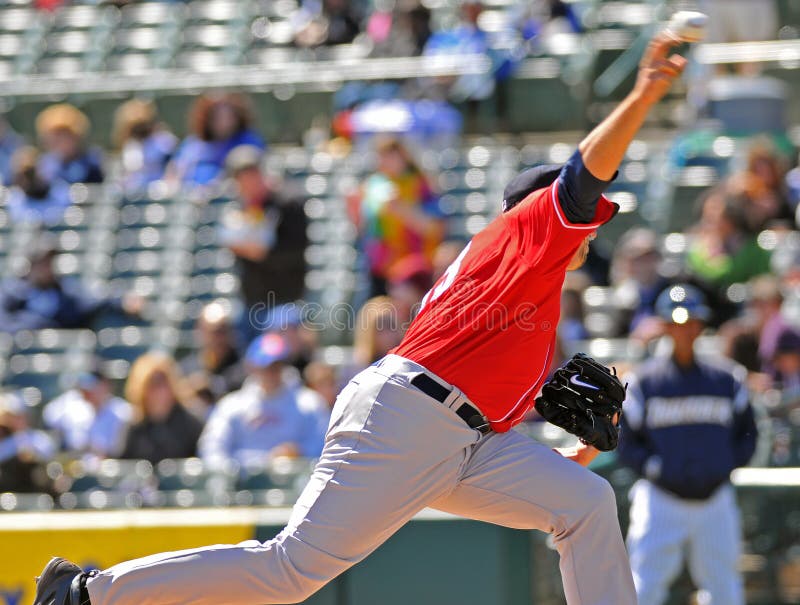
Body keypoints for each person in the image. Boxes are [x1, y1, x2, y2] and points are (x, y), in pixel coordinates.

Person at [34, 31, 689, 605]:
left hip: (456, 434)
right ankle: (89, 593)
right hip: (408, 417)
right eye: (585, 217)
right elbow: (581, 178)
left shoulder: (524, 286)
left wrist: (556, 460)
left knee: (584, 503)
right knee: (289, 571)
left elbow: (488, 406)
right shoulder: (526, 234)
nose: (592, 227)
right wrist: (643, 96)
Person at [618, 284, 757, 605]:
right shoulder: (644, 382)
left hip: (715, 499)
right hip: (661, 499)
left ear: (701, 325)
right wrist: (654, 468)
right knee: (643, 586)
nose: (685, 330)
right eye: (677, 323)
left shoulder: (727, 379)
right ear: (665, 327)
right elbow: (626, 440)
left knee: (725, 589)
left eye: (692, 322)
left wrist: (724, 465)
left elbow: (748, 434)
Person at [198, 333, 329, 471]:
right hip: (242, 482)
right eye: (266, 366)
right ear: (251, 367)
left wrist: (300, 452)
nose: (272, 372)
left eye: (277, 365)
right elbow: (212, 447)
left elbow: (322, 446)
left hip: (296, 481)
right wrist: (232, 472)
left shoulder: (310, 404)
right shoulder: (231, 406)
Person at [217, 145, 308, 341]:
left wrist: (262, 252)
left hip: (285, 302)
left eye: (252, 176)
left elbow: (296, 252)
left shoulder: (288, 202)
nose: (247, 184)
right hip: (251, 302)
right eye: (242, 179)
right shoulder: (241, 208)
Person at [348, 136, 444, 297]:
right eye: (381, 156)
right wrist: (354, 209)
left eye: (389, 156)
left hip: (414, 269)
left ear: (403, 156)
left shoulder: (421, 185)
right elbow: (364, 229)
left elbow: (435, 228)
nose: (384, 162)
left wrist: (401, 209)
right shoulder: (373, 186)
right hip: (381, 268)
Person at [0, 235, 143, 334]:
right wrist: (39, 325)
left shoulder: (63, 290)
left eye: (50, 263)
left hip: (61, 354)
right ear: (31, 266)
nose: (47, 268)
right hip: (21, 356)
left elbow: (92, 302)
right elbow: (4, 323)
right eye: (42, 263)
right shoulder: (11, 291)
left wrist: (120, 300)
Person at [120, 352, 204, 465]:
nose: (159, 390)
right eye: (152, 383)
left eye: (163, 382)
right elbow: (123, 464)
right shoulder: (134, 425)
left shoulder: (191, 423)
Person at [167, 93, 265, 187]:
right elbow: (175, 170)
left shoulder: (249, 141)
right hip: (193, 194)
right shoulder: (194, 143)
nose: (224, 122)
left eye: (228, 117)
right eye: (217, 117)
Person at [42, 365, 132, 461]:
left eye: (92, 387)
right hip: (77, 466)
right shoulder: (73, 406)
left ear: (105, 385)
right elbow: (49, 414)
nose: (87, 393)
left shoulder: (123, 412)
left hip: (111, 466)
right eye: (84, 389)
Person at [178, 301, 246, 414]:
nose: (219, 338)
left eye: (223, 330)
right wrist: (189, 389)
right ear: (200, 331)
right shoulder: (187, 367)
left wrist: (209, 386)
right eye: (214, 332)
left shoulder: (242, 365)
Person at [112, 98, 178, 193]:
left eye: (141, 125)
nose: (138, 130)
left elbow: (173, 171)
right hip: (133, 195)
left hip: (158, 193)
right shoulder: (129, 146)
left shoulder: (163, 142)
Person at [0, 392, 56, 494]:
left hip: (36, 488)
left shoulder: (40, 438)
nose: (16, 420)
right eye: (13, 417)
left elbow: (48, 457)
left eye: (19, 416)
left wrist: (32, 455)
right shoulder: (5, 441)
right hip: (10, 490)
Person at [35, 103, 104, 184]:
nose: (60, 141)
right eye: (55, 136)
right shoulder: (45, 164)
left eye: (64, 135)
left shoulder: (92, 162)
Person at [6, 146, 72, 225]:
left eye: (31, 172)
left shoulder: (60, 191)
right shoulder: (15, 198)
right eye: (22, 175)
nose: (27, 179)